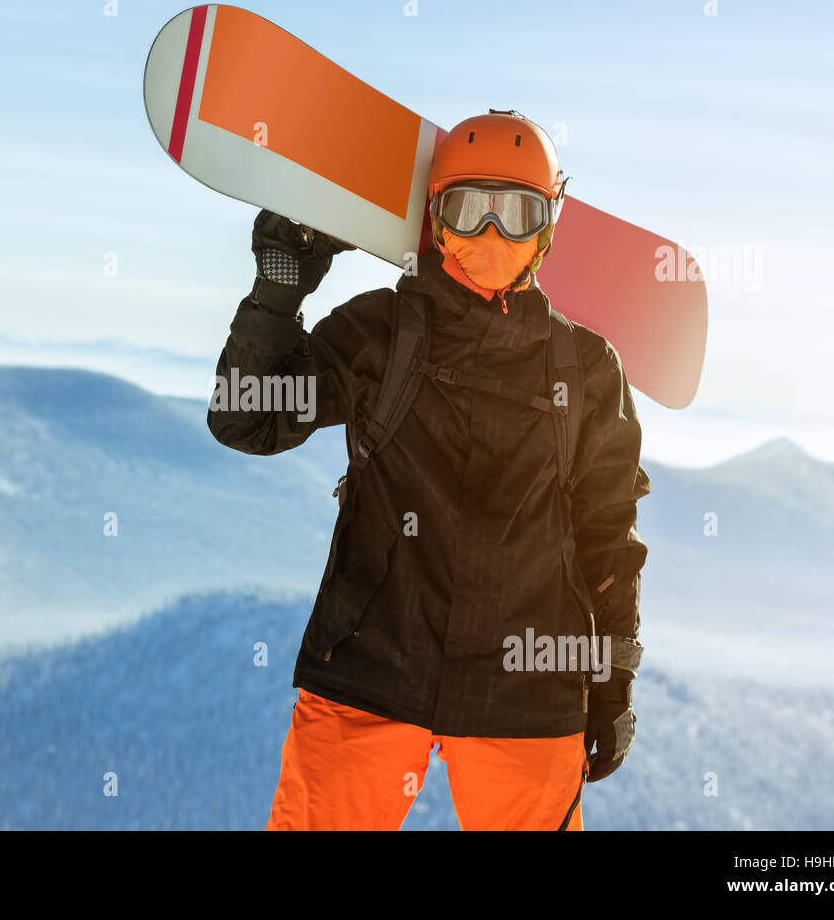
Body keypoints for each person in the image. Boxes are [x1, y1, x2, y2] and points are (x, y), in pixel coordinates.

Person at [206, 110, 650, 830]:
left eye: (515, 214)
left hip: (527, 693)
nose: (490, 235)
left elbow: (609, 539)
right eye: (469, 210)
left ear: (546, 229)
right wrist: (278, 289)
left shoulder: (588, 370)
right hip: (370, 674)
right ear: (437, 221)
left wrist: (612, 684)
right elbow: (245, 417)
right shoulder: (383, 332)